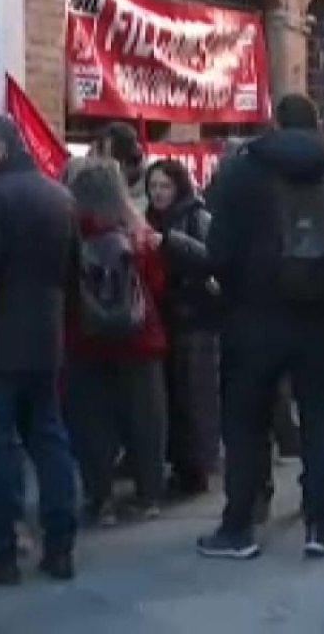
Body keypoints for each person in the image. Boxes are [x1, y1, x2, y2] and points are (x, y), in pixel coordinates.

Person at [196, 94, 324, 561]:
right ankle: (319, 524)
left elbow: (216, 248)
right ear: (316, 122)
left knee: (245, 420)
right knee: (320, 416)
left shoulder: (241, 171)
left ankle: (240, 523)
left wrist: (232, 281)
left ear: (274, 123)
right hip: (317, 314)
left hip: (251, 314)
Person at [0, 116, 81, 586]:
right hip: (45, 339)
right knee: (49, 440)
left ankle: (0, 553)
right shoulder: (59, 195)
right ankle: (61, 546)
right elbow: (73, 271)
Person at [63, 158, 173, 527]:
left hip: (85, 338)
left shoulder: (70, 232)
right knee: (146, 419)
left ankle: (101, 498)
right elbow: (156, 283)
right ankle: (148, 494)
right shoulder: (138, 232)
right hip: (139, 338)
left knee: (92, 421)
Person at [145, 158, 222, 498]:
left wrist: (168, 241)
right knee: (172, 397)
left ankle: (197, 469)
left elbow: (210, 258)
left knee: (196, 397)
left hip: (196, 318)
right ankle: (179, 464)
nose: (158, 193)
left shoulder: (197, 216)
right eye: (154, 186)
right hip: (163, 317)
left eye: (164, 186)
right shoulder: (148, 218)